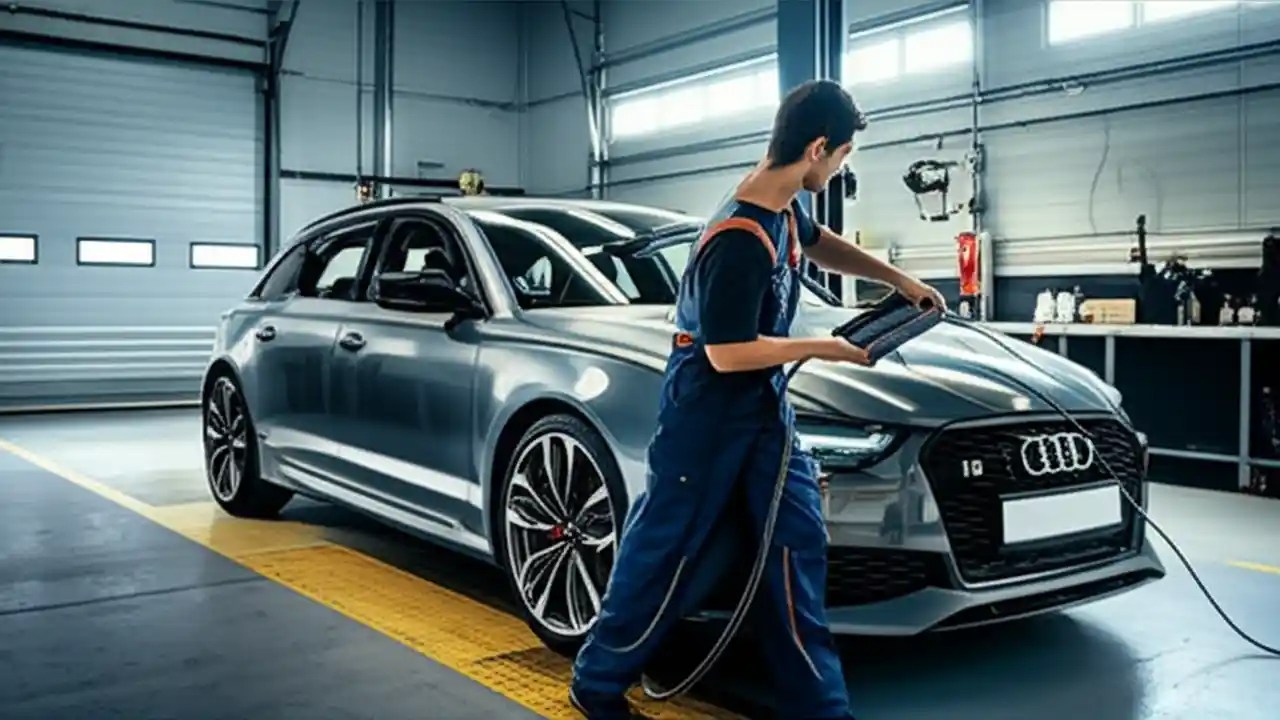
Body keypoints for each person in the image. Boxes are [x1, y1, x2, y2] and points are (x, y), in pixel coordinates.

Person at [568, 79, 945, 720]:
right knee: (669, 547)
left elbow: (819, 241)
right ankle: (596, 682)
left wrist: (898, 279)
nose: (842, 169)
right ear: (818, 149)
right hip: (706, 410)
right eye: (844, 157)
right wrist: (823, 348)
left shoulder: (784, 201)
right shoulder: (739, 239)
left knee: (796, 542)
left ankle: (820, 709)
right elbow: (725, 352)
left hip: (765, 405)